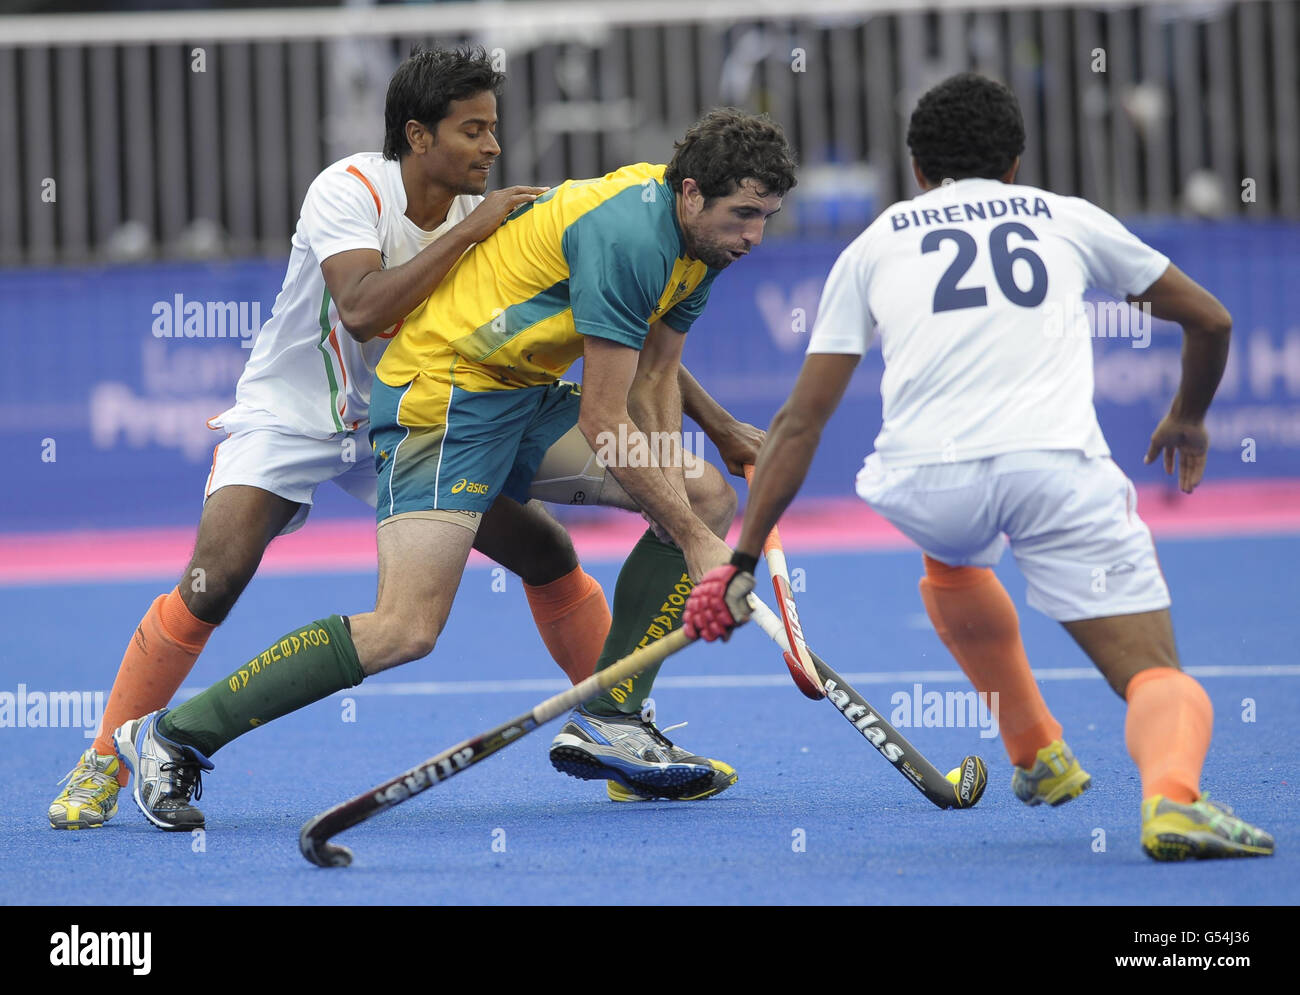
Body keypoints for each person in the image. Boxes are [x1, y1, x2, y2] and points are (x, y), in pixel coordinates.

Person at [113, 107, 796, 828]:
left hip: (521, 394)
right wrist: (693, 542)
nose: (753, 235)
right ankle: (174, 733)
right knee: (405, 627)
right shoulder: (631, 233)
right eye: (743, 214)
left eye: (766, 218)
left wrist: (687, 505)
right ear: (691, 192)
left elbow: (656, 378)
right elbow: (603, 416)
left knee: (701, 493)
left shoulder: (701, 246)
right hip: (444, 400)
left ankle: (613, 717)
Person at [684, 73, 1273, 862]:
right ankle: (1171, 797)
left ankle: (1034, 747)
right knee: (1153, 674)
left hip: (929, 478)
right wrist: (1189, 415)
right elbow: (1212, 318)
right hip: (1056, 469)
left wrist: (742, 559)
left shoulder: (877, 242)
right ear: (1017, 165)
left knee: (953, 558)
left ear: (918, 171)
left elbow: (799, 423)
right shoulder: (1064, 217)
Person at [51, 47, 590, 830]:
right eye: (473, 130)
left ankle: (617, 725)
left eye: (493, 128)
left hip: (409, 418)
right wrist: (474, 232)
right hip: (292, 414)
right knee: (214, 579)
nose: (493, 147)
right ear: (418, 134)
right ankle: (108, 757)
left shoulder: (496, 215)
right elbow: (365, 308)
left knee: (546, 552)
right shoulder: (349, 188)